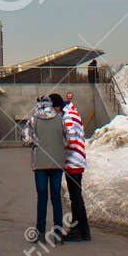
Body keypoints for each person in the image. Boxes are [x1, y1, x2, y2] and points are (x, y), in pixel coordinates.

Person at [50, 92, 90, 241]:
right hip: (77, 160)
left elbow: (70, 140)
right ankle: (83, 231)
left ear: (57, 107)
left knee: (75, 198)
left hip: (73, 161)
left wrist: (57, 147)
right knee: (76, 196)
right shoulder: (72, 113)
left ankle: (78, 231)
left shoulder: (67, 118)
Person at [27, 96, 65, 243]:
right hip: (57, 163)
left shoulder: (33, 120)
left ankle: (40, 232)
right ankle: (58, 233)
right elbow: (66, 139)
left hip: (40, 164)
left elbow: (26, 139)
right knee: (56, 197)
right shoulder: (60, 119)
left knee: (42, 197)